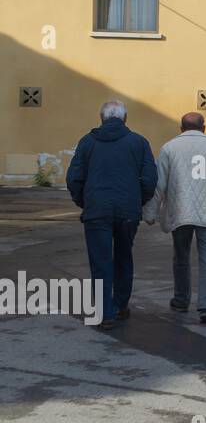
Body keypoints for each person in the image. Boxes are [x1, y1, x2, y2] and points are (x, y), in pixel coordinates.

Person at [66, 100, 157, 330]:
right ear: (125, 119)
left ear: (101, 118)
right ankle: (121, 304)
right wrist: (139, 200)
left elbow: (74, 178)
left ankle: (105, 312)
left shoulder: (87, 142)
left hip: (96, 210)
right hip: (128, 211)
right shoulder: (139, 142)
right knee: (124, 256)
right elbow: (149, 179)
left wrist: (84, 202)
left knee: (100, 261)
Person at [142, 112, 206, 325]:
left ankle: (181, 299)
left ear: (181, 128)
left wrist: (150, 212)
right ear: (204, 128)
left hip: (180, 211)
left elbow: (159, 184)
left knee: (181, 257)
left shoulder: (169, 148)